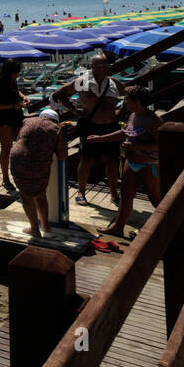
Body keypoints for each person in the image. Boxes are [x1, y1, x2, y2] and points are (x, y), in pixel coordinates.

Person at [52, 54, 122, 206]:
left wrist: (120, 112)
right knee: (86, 160)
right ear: (92, 66)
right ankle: (81, 192)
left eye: (106, 65)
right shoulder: (83, 82)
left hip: (110, 125)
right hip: (91, 125)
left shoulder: (113, 83)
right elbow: (60, 94)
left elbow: (129, 95)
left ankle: (114, 194)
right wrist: (75, 111)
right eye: (101, 65)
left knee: (111, 161)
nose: (105, 67)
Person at [96, 87, 163, 238]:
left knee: (156, 200)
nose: (124, 102)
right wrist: (101, 138)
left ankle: (169, 229)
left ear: (137, 101)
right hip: (131, 162)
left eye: (127, 99)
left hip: (149, 164)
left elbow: (162, 146)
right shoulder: (133, 115)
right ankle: (117, 228)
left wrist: (136, 146)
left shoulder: (154, 120)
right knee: (125, 195)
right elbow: (124, 132)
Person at [9, 108, 69, 237]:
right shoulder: (56, 129)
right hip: (39, 164)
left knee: (26, 196)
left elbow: (20, 138)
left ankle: (35, 228)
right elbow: (63, 156)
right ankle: (45, 226)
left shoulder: (27, 120)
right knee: (40, 194)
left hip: (19, 159)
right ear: (56, 121)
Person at [0, 61, 27, 191]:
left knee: (21, 146)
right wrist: (13, 105)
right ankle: (5, 178)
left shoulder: (13, 81)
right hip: (5, 118)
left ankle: (20, 174)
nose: (17, 75)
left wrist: (23, 97)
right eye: (16, 72)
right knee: (6, 149)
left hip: (17, 116)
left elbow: (17, 92)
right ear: (9, 72)